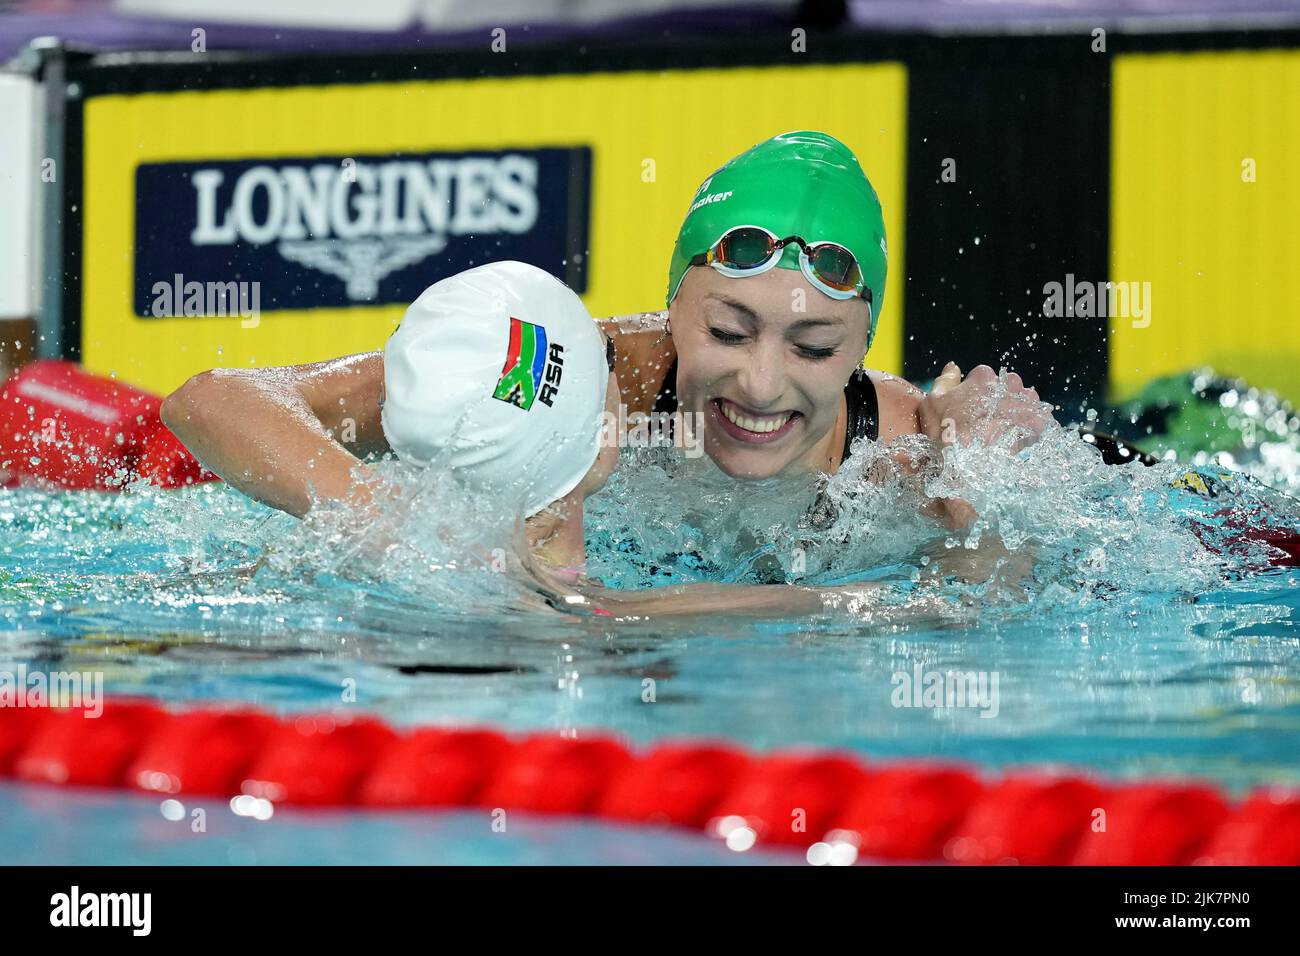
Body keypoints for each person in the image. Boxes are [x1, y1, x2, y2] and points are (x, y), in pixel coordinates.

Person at [162, 129, 1051, 595]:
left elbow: (986, 608)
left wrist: (985, 505)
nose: (761, 384)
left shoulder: (907, 457)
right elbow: (214, 399)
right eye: (728, 331)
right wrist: (387, 521)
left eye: (814, 347)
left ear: (863, 348)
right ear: (672, 306)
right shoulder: (583, 370)